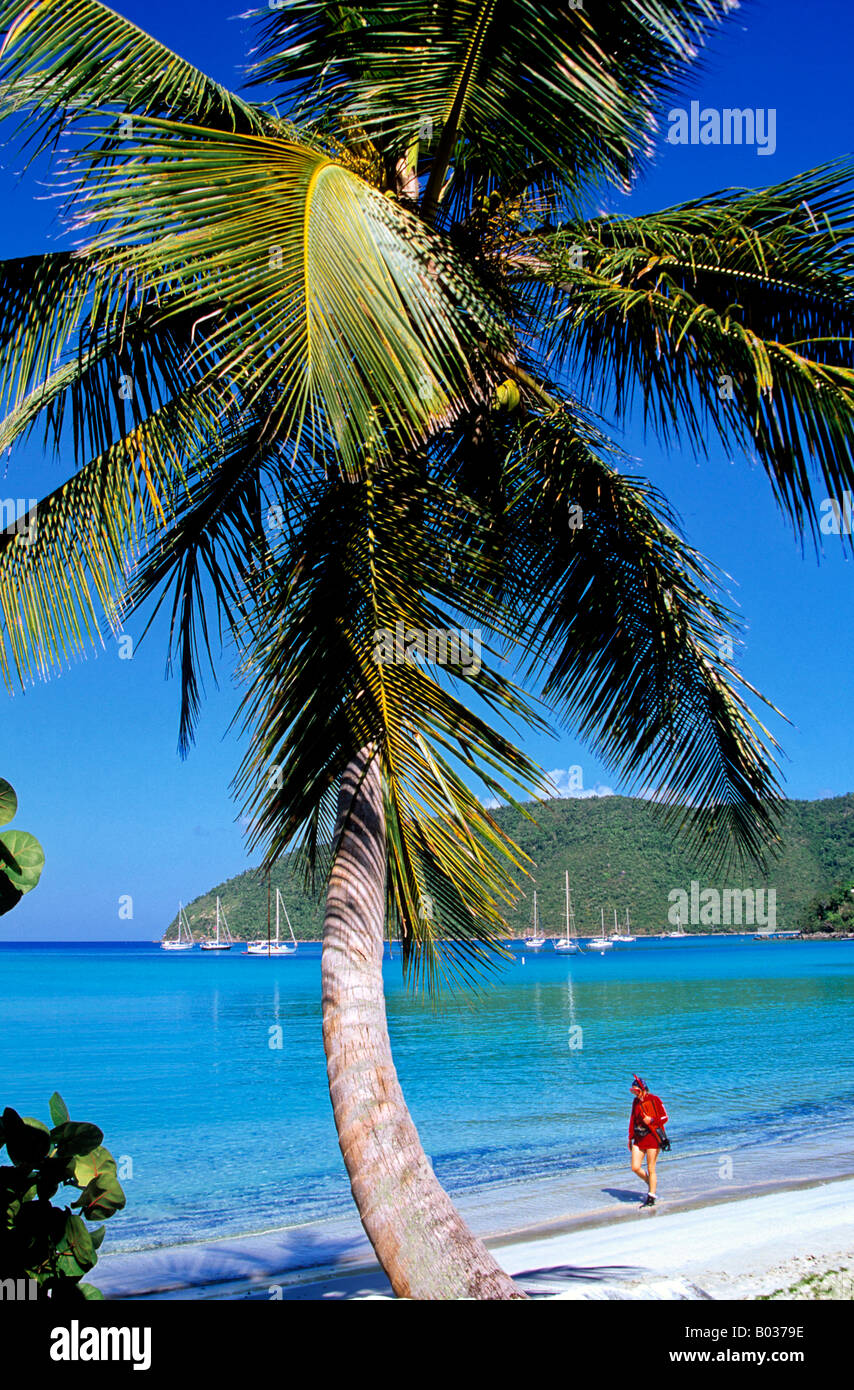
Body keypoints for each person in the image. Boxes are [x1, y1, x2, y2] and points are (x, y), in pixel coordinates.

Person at [628, 1074, 668, 1208]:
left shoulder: (654, 1099)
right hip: (638, 1138)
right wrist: (630, 1137)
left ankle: (651, 1197)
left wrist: (651, 1120)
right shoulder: (635, 1102)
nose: (635, 1094)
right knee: (635, 1167)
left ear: (643, 1089)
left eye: (637, 1091)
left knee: (651, 1168)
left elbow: (664, 1118)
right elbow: (632, 1119)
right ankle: (650, 1183)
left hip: (652, 1138)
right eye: (633, 1091)